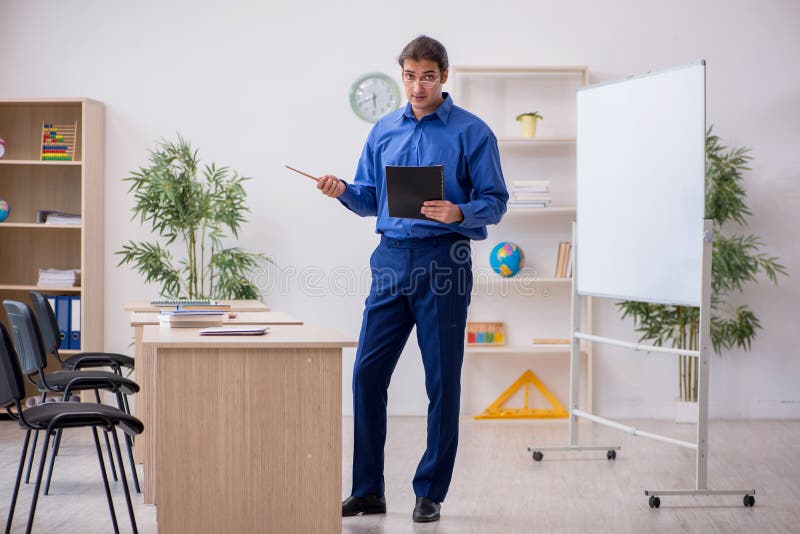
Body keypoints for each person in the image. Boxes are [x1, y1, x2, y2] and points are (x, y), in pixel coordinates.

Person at [317, 35, 508, 523]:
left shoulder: (473, 132)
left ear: (443, 76)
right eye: (409, 76)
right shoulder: (383, 130)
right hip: (390, 261)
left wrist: (457, 211)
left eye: (427, 76)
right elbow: (369, 198)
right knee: (367, 374)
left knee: (441, 381)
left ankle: (430, 492)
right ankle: (367, 491)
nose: (417, 86)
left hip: (444, 261)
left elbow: (496, 200)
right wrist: (342, 190)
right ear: (401, 75)